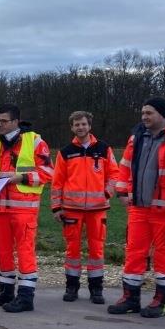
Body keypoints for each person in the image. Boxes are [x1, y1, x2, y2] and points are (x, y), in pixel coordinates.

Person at [109, 98, 165, 318]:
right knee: (134, 252)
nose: (144, 117)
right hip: (139, 207)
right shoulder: (137, 137)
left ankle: (162, 301)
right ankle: (130, 298)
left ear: (163, 114)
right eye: (143, 113)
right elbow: (125, 166)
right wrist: (122, 191)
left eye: (149, 113)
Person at [0, 104, 53, 313]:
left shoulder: (35, 141)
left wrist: (20, 177)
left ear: (15, 122)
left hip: (24, 208)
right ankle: (6, 291)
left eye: (4, 121)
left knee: (24, 251)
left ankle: (26, 296)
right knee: (3, 251)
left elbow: (48, 172)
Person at [50, 111, 116, 304]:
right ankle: (72, 287)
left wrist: (106, 193)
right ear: (72, 128)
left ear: (89, 126)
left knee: (97, 250)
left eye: (83, 124)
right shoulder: (66, 152)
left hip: (98, 209)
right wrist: (56, 207)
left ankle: (96, 289)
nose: (80, 127)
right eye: (77, 124)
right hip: (72, 209)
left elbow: (115, 174)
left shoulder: (104, 149)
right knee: (72, 250)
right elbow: (57, 182)